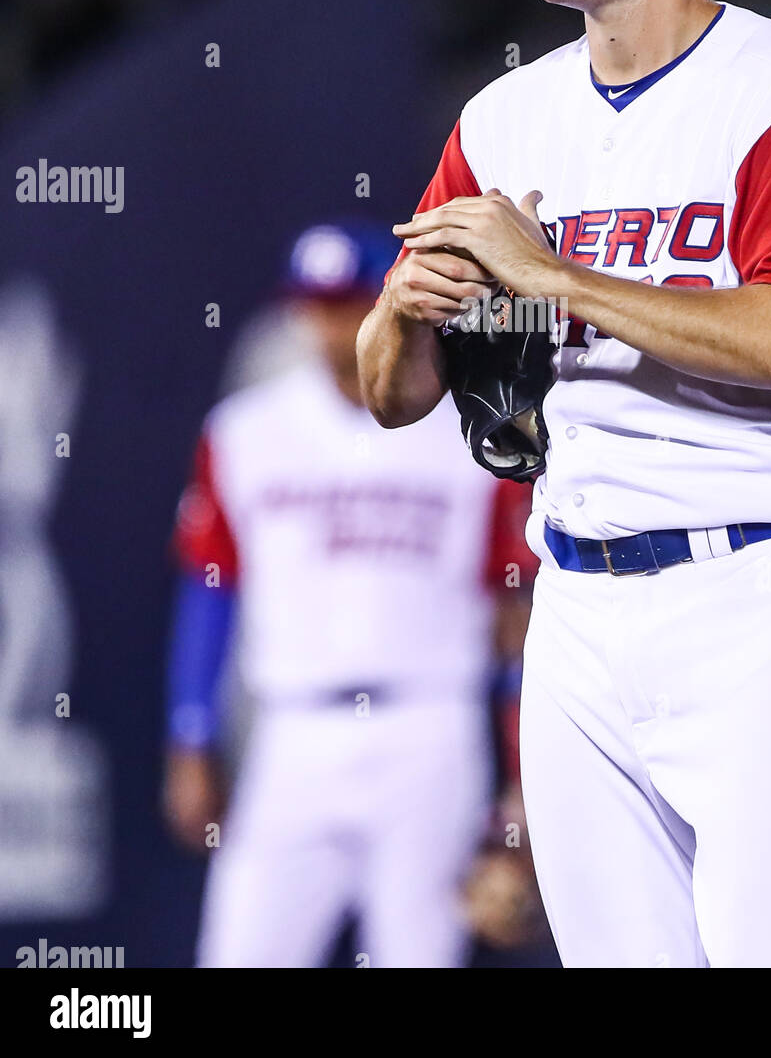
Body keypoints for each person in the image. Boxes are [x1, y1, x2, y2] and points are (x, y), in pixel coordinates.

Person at [357, 0, 771, 968]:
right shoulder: (500, 119)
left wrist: (557, 281)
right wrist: (400, 310)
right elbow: (391, 396)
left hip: (765, 595)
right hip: (577, 604)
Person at [163, 219, 538, 967]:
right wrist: (191, 734)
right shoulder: (246, 429)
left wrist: (520, 782)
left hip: (429, 728)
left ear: (388, 303)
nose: (328, 321)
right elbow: (210, 587)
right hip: (294, 732)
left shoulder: (468, 429)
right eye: (314, 302)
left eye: (347, 302)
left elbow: (512, 613)